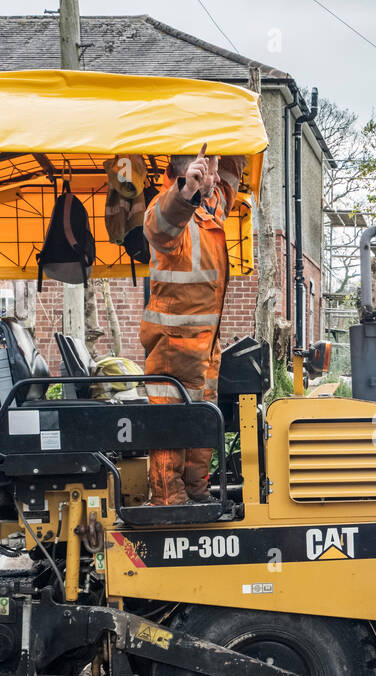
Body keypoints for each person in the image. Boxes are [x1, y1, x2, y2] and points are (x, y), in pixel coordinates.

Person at [142, 145, 245, 505]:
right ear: (191, 173)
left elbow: (228, 187)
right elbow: (162, 228)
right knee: (172, 429)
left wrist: (239, 141)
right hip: (174, 347)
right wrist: (185, 192)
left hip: (205, 346)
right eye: (209, 172)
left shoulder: (209, 205)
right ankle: (169, 500)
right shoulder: (167, 208)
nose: (216, 180)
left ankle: (197, 493)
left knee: (202, 425)